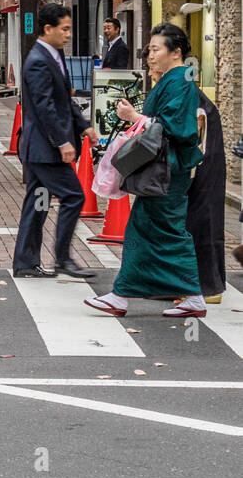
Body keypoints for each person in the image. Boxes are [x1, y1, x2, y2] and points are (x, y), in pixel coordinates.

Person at [85, 23, 208, 318]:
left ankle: (129, 294)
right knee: (154, 229)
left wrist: (133, 116)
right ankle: (133, 294)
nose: (149, 55)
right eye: (150, 49)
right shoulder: (174, 79)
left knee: (162, 229)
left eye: (155, 49)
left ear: (175, 52)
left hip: (168, 169)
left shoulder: (179, 81)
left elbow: (175, 128)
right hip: (165, 168)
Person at [12, 4, 99, 280]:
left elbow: (64, 98)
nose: (68, 34)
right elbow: (44, 106)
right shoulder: (38, 60)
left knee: (37, 204)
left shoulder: (54, 54)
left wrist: (83, 127)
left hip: (40, 148)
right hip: (44, 149)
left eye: (69, 29)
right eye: (64, 29)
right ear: (47, 29)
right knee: (74, 196)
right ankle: (62, 258)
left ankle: (26, 262)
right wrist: (63, 141)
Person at [186, 88, 226, 303]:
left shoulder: (192, 98)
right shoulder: (195, 97)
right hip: (204, 170)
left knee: (201, 222)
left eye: (155, 50)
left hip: (200, 172)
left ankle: (206, 286)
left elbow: (192, 133)